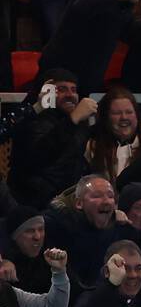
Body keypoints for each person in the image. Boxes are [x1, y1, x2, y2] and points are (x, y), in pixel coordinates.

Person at [37, 0, 141, 94]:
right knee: (49, 112)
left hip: (89, 78)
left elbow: (128, 33)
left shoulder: (123, 4)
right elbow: (81, 6)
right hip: (58, 73)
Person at [9, 69, 97, 207]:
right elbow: (38, 157)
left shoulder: (79, 123)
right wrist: (72, 120)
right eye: (62, 89)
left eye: (74, 90)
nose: (70, 95)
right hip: (35, 203)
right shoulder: (33, 121)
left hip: (70, 201)